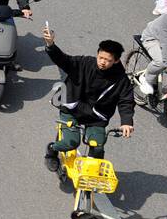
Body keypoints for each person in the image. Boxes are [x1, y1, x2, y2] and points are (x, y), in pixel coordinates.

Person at [41, 25, 134, 176]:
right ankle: (51, 150)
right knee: (70, 143)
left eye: (108, 60)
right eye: (101, 57)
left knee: (97, 147)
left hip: (96, 117)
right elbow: (64, 60)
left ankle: (89, 177)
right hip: (71, 109)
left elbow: (126, 100)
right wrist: (51, 45)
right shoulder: (84, 63)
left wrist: (127, 122)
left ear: (116, 61)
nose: (103, 62)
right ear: (97, 54)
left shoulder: (121, 80)